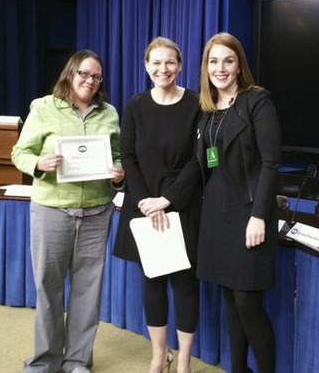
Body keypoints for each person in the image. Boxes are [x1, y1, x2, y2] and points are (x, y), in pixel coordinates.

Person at [11, 50, 125, 373]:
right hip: (53, 209)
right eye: (84, 74)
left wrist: (118, 174)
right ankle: (45, 361)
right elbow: (19, 152)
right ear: (70, 74)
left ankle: (77, 361)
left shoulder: (109, 113)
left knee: (88, 290)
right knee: (49, 287)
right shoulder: (44, 107)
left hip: (96, 212)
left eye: (96, 76)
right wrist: (39, 163)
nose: (90, 80)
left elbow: (117, 156)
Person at [113, 37, 202, 373]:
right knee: (152, 283)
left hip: (183, 205)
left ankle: (184, 361)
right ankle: (159, 355)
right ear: (146, 66)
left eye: (170, 62)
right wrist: (146, 202)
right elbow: (128, 157)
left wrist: (168, 199)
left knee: (185, 284)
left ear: (180, 66)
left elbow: (200, 160)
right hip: (143, 208)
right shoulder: (135, 106)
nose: (163, 69)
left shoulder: (197, 104)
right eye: (156, 63)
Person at [195, 32, 281, 373]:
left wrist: (259, 216)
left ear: (239, 65)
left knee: (247, 301)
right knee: (230, 298)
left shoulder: (256, 101)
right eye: (214, 61)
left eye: (228, 61)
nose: (221, 68)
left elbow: (271, 163)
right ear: (206, 67)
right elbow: (208, 164)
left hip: (250, 215)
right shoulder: (208, 110)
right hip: (218, 215)